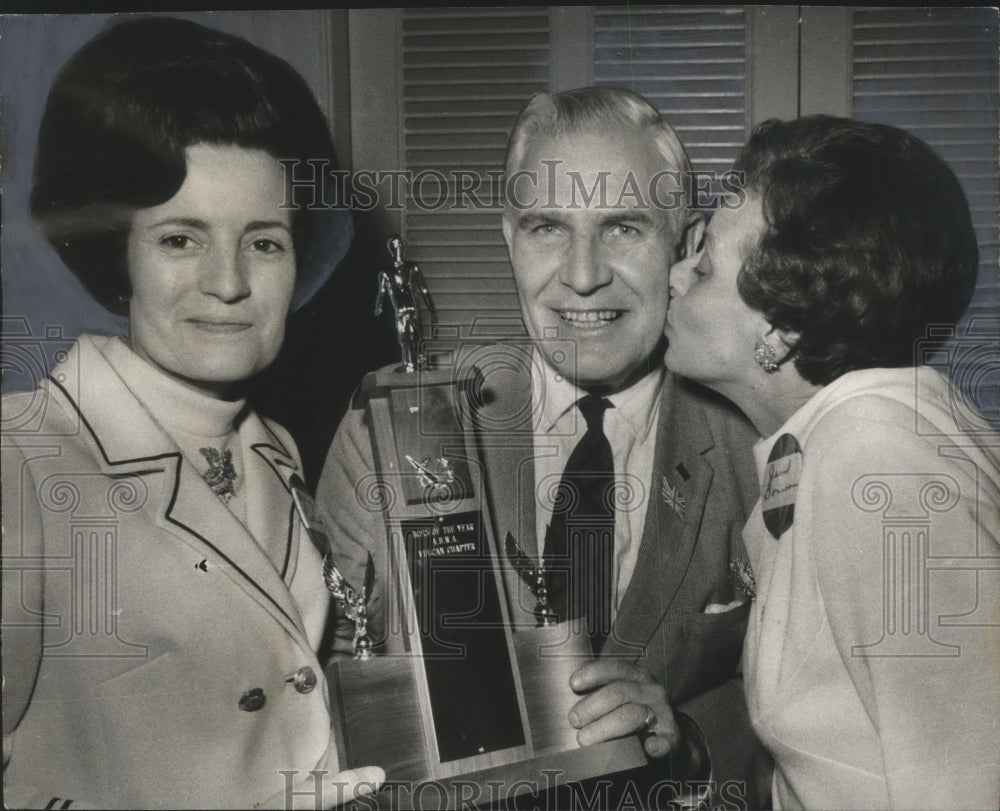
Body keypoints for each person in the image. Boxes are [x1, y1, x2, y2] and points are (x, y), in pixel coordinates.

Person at [317, 86, 771, 807]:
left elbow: (807, 705)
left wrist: (688, 743)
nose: (583, 273)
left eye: (624, 228)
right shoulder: (391, 424)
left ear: (685, 246)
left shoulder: (755, 444)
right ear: (508, 237)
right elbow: (325, 687)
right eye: (547, 228)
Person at [1, 17, 381, 809]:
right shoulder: (23, 463)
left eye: (265, 242)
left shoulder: (277, 451)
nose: (230, 282)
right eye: (181, 239)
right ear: (118, 253)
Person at [663, 115, 1000, 809]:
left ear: (779, 329)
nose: (672, 277)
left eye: (702, 268)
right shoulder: (843, 436)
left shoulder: (876, 462)